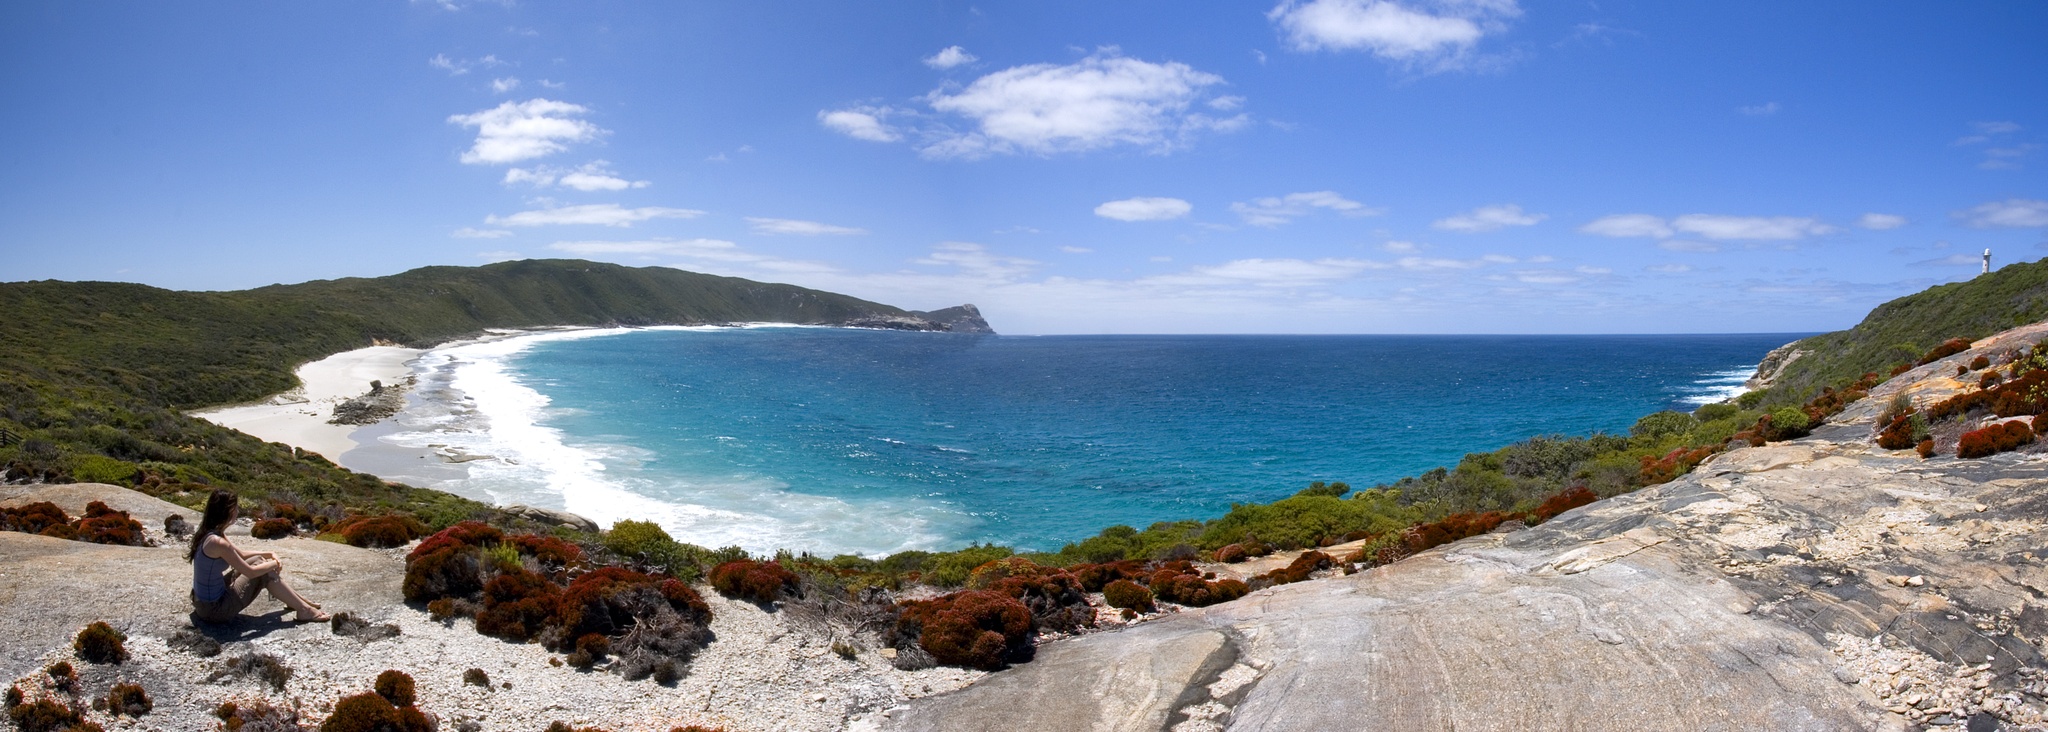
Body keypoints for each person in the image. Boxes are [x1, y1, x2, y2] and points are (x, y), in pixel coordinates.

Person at [187, 489, 329, 623]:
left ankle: (297, 601)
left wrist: (269, 554)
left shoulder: (211, 533)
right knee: (264, 572)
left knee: (257, 560)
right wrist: (275, 564)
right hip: (214, 610)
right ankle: (303, 609)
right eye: (235, 508)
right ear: (228, 511)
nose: (237, 511)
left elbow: (241, 555)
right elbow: (250, 572)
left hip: (203, 602)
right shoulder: (217, 542)